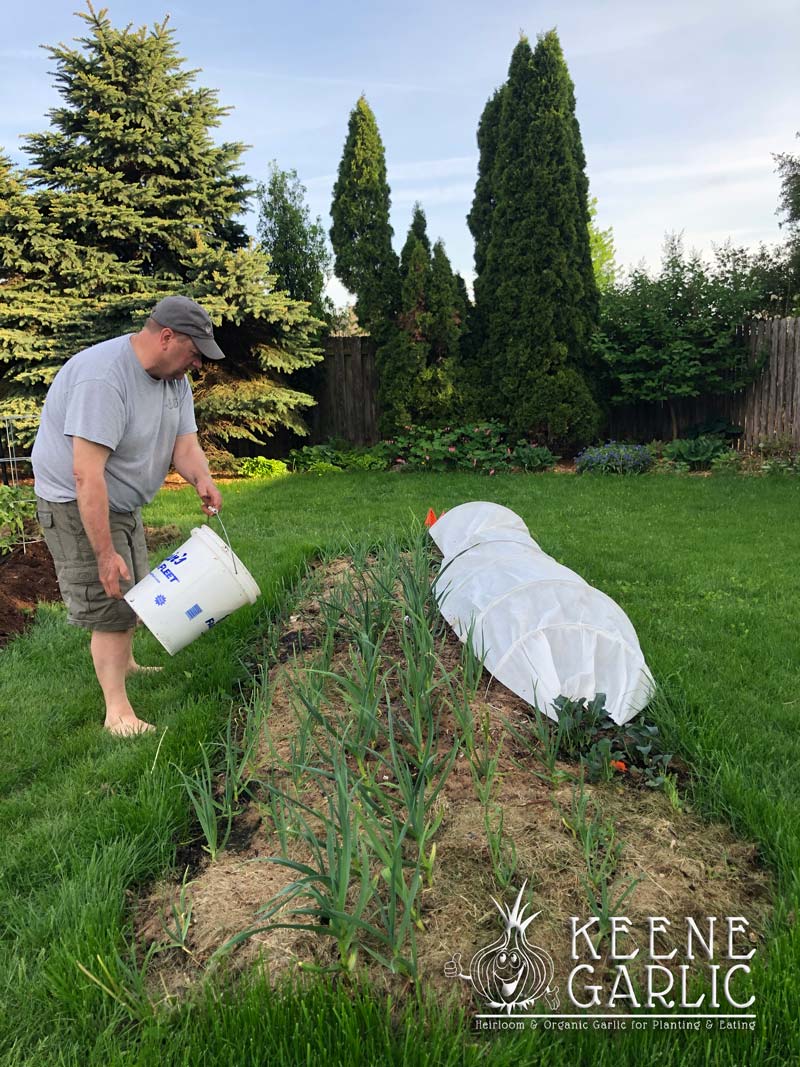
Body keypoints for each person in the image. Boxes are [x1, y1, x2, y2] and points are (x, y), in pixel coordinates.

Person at [31, 295, 225, 736]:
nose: (196, 365)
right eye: (194, 353)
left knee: (136, 588)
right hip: (77, 499)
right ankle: (116, 713)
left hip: (121, 499)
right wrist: (103, 552)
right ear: (166, 337)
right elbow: (85, 474)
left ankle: (127, 663)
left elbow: (185, 444)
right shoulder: (104, 378)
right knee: (112, 601)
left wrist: (202, 479)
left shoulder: (174, 380)